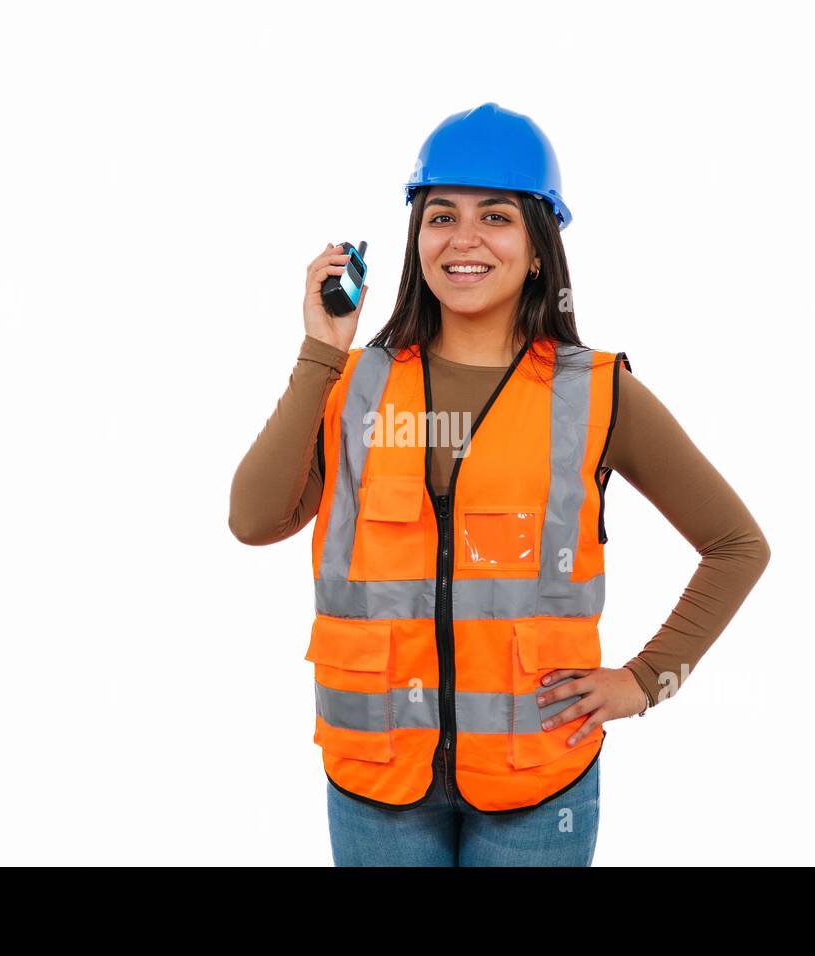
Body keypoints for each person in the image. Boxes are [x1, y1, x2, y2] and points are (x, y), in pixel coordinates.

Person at [230, 103, 771, 866]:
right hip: (377, 779)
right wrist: (321, 351)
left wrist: (646, 682)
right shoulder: (354, 386)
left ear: (540, 247)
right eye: (441, 215)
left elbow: (738, 545)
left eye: (498, 216)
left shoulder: (598, 392)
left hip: (539, 781)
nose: (465, 239)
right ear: (417, 237)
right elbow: (252, 520)